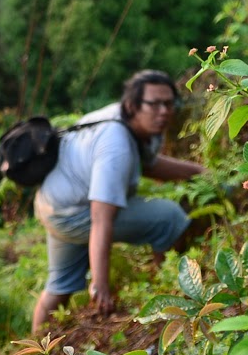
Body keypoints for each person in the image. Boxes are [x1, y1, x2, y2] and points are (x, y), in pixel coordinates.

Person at [31, 69, 206, 334]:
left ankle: (35, 350)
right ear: (132, 105)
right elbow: (101, 218)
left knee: (60, 284)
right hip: (75, 212)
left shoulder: (125, 121)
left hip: (54, 205)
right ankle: (163, 288)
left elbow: (151, 165)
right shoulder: (116, 144)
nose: (164, 111)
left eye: (169, 103)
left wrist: (201, 174)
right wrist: (100, 285)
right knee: (168, 217)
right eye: (154, 104)